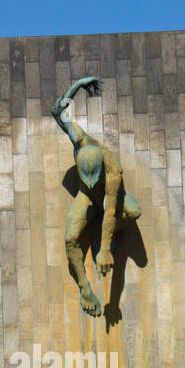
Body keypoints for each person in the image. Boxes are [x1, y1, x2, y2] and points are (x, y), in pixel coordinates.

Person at [50, 76, 141, 317]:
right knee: (70, 239)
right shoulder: (79, 139)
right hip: (87, 196)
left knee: (132, 211)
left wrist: (105, 250)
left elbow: (111, 210)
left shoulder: (113, 171)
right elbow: (57, 111)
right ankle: (84, 289)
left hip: (109, 199)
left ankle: (105, 236)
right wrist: (77, 85)